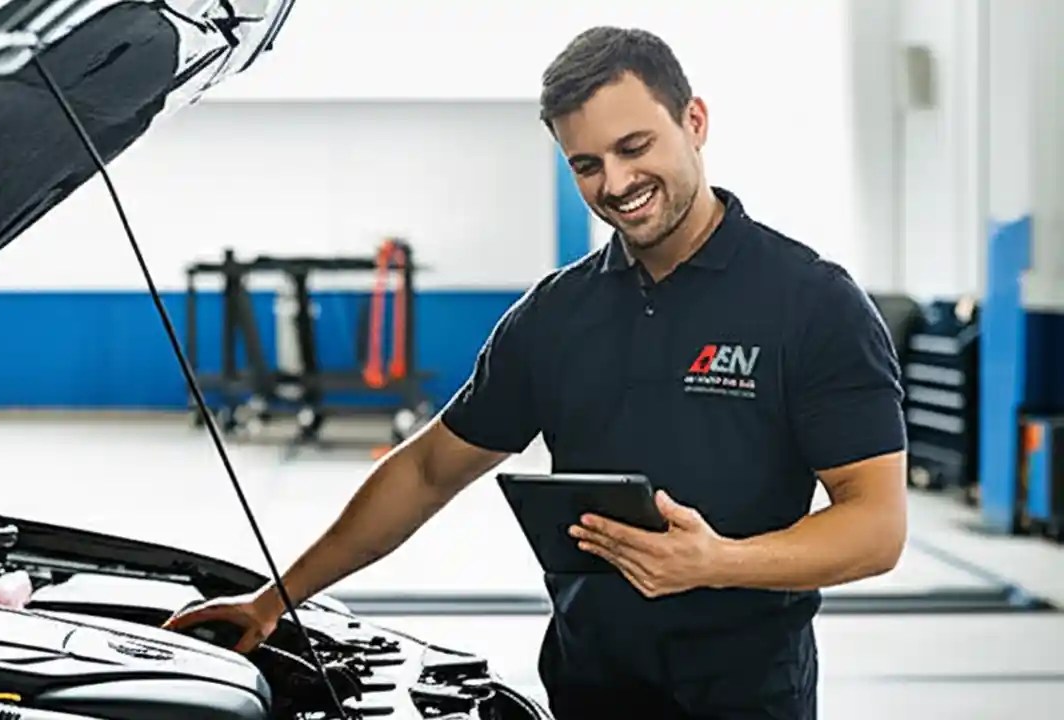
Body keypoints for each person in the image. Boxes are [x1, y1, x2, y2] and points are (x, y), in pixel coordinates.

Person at [165, 26, 908, 719]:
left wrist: (716, 562)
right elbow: (426, 471)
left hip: (745, 698)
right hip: (586, 691)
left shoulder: (810, 303)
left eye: (634, 146)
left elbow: (875, 526)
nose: (616, 182)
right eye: (587, 164)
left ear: (696, 122)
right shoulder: (558, 314)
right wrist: (274, 600)